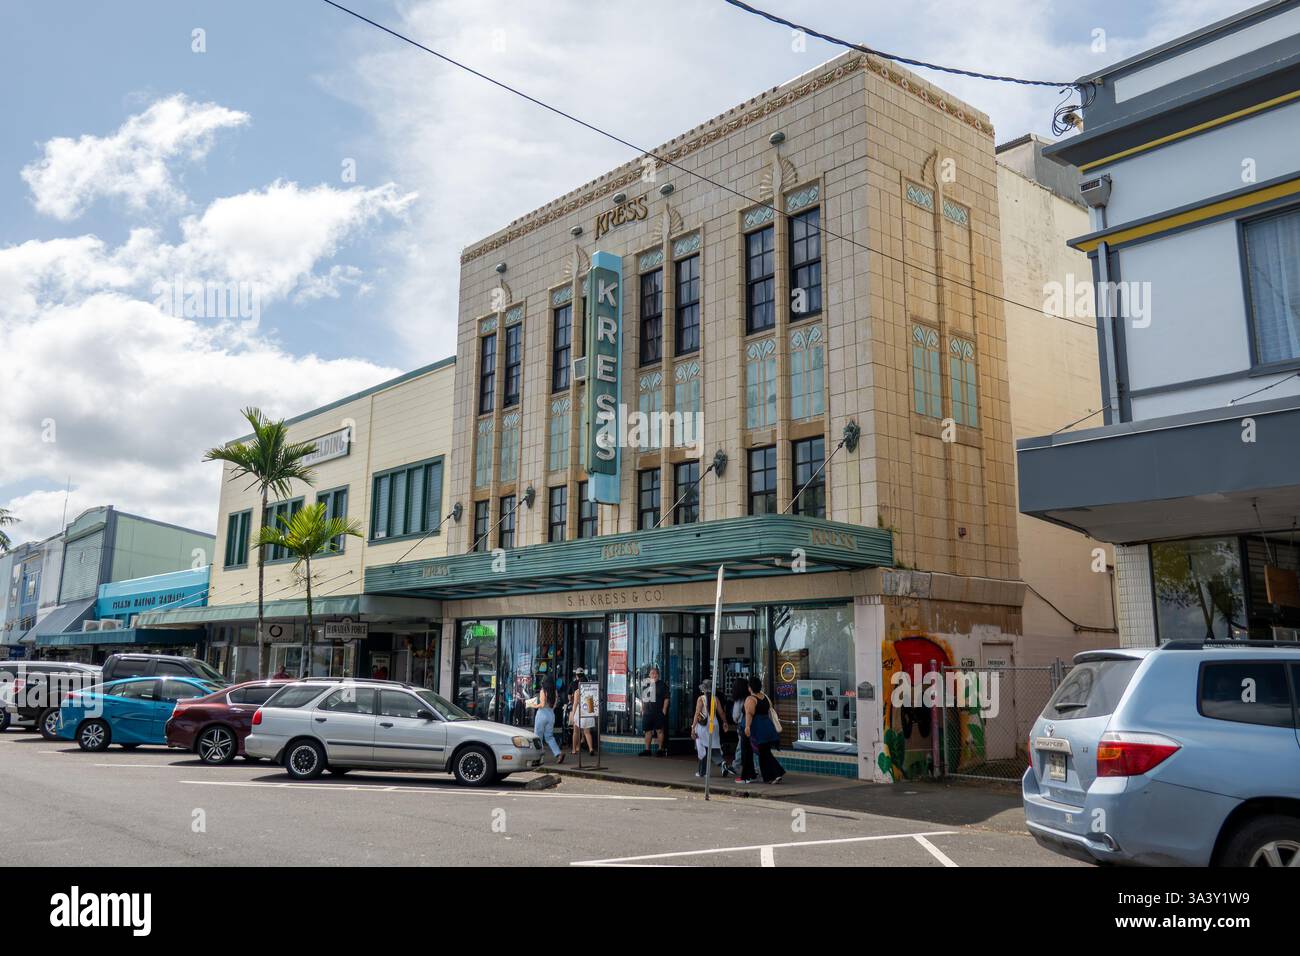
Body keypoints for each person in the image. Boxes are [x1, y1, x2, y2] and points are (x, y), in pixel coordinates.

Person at [742, 674, 785, 784]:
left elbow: (749, 714)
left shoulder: (751, 699)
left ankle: (776, 773)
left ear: (750, 687)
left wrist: (747, 727)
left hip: (757, 728)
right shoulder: (764, 697)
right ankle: (770, 776)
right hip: (767, 726)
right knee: (764, 751)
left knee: (762, 752)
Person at [691, 681, 730, 777]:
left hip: (703, 726)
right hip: (714, 724)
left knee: (702, 748)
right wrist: (725, 722)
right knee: (713, 747)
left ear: (703, 689)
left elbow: (697, 713)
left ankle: (702, 772)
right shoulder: (715, 698)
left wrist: (693, 727)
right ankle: (722, 763)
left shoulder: (701, 699)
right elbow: (721, 712)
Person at [526, 678, 564, 764]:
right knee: (549, 737)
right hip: (551, 715)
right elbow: (554, 705)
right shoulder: (555, 692)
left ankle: (539, 757)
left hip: (542, 715)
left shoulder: (543, 691)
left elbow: (542, 704)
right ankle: (558, 753)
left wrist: (532, 705)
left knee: (538, 737)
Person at [638, 666, 669, 757]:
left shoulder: (662, 685)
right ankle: (647, 750)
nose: (654, 675)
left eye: (655, 673)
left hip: (659, 712)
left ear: (658, 675)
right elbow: (643, 699)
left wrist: (664, 710)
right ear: (649, 675)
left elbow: (666, 699)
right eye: (652, 673)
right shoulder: (646, 684)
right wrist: (642, 709)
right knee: (648, 731)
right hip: (648, 712)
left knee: (659, 730)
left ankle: (660, 749)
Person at [730, 677, 754, 782]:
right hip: (752, 725)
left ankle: (736, 766)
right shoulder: (751, 698)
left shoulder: (739, 700)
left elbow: (735, 716)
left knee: (742, 747)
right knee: (750, 747)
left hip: (742, 725)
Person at [569, 682, 596, 757]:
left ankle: (574, 749)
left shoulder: (577, 691)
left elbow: (575, 704)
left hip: (580, 712)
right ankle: (591, 748)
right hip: (588, 713)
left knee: (576, 732)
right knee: (587, 732)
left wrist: (573, 715)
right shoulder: (590, 691)